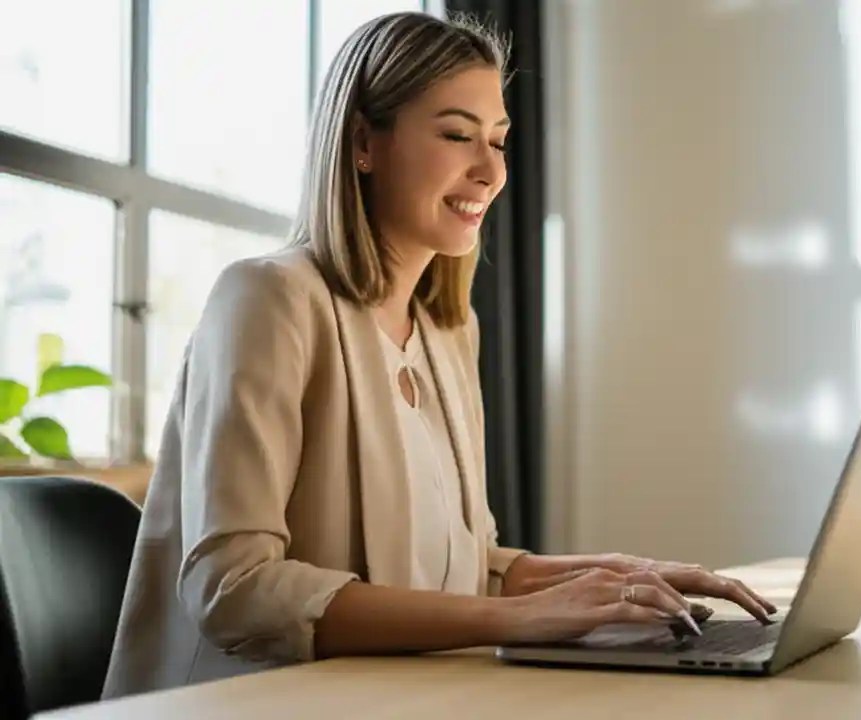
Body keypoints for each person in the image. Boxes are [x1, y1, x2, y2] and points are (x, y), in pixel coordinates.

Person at [102, 11, 775, 699]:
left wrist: (622, 578)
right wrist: (519, 618)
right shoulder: (269, 298)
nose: (489, 170)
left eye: (499, 141)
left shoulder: (448, 331)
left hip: (399, 698)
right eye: (457, 135)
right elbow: (235, 590)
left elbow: (466, 566)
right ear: (364, 141)